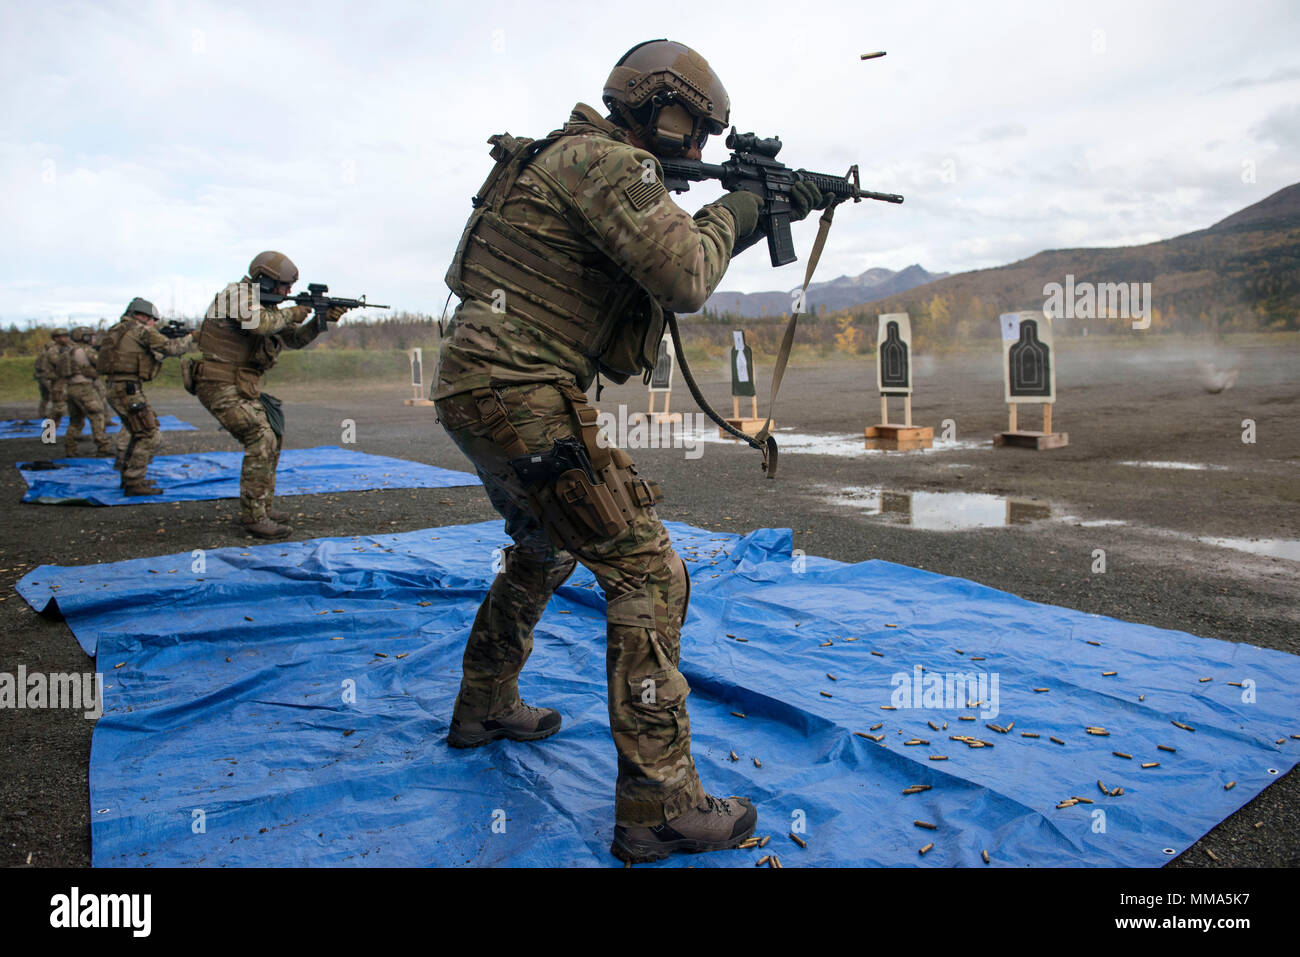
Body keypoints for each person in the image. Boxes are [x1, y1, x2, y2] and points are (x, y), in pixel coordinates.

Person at [432, 38, 829, 863]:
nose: (702, 151)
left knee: (542, 548)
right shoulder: (611, 166)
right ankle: (660, 806)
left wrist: (757, 210)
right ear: (668, 108)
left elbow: (662, 259)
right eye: (699, 132)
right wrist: (747, 208)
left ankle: (483, 701)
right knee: (647, 571)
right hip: (520, 387)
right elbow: (685, 275)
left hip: (477, 387)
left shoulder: (571, 157)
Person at [192, 251, 350, 539]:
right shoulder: (235, 295)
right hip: (217, 381)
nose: (288, 292)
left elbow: (294, 340)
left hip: (240, 384)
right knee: (259, 435)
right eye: (284, 286)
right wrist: (294, 312)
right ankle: (254, 517)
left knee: (273, 434)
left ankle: (261, 505)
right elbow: (259, 324)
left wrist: (319, 321)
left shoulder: (267, 307)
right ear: (265, 281)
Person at [97, 298, 193, 495]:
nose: (154, 324)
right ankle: (134, 481)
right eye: (152, 320)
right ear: (141, 316)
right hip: (128, 388)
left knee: (137, 432)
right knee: (149, 435)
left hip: (116, 386)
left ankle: (129, 477)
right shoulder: (140, 330)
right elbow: (173, 348)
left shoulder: (117, 330)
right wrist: (192, 337)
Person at [63, 326, 113, 457]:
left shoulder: (68, 351)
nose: (93, 339)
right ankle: (103, 447)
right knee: (97, 416)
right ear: (85, 337)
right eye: (91, 336)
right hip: (84, 387)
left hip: (70, 387)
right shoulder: (86, 351)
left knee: (76, 420)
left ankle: (70, 448)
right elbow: (102, 364)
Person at [34, 328, 71, 424]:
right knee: (57, 408)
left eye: (66, 336)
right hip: (54, 380)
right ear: (56, 338)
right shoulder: (52, 351)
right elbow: (60, 364)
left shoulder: (64, 349)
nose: (65, 339)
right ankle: (48, 433)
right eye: (63, 336)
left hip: (61, 380)